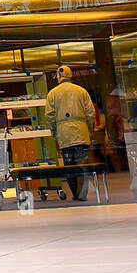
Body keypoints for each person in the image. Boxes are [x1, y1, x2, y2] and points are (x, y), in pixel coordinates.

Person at [45, 66, 96, 200]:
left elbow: (49, 116)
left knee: (69, 166)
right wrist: (89, 128)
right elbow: (90, 113)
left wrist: (54, 131)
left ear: (59, 77)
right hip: (81, 132)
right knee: (81, 164)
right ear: (71, 75)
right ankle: (82, 193)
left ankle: (74, 193)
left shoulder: (52, 94)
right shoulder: (81, 91)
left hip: (64, 134)